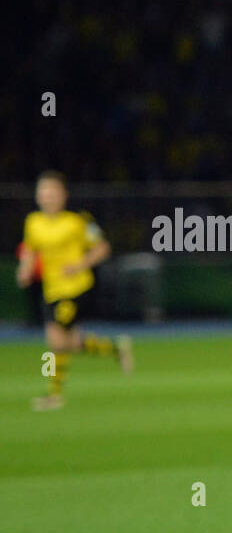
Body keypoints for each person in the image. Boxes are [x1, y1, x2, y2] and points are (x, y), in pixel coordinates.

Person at [16, 171, 133, 411]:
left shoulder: (79, 220)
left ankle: (53, 395)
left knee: (54, 339)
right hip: (51, 290)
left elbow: (102, 248)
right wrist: (25, 269)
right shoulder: (33, 222)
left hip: (76, 288)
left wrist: (79, 265)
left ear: (63, 195)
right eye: (43, 192)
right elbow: (30, 250)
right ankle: (115, 349)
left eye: (52, 192)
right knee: (69, 343)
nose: (47, 197)